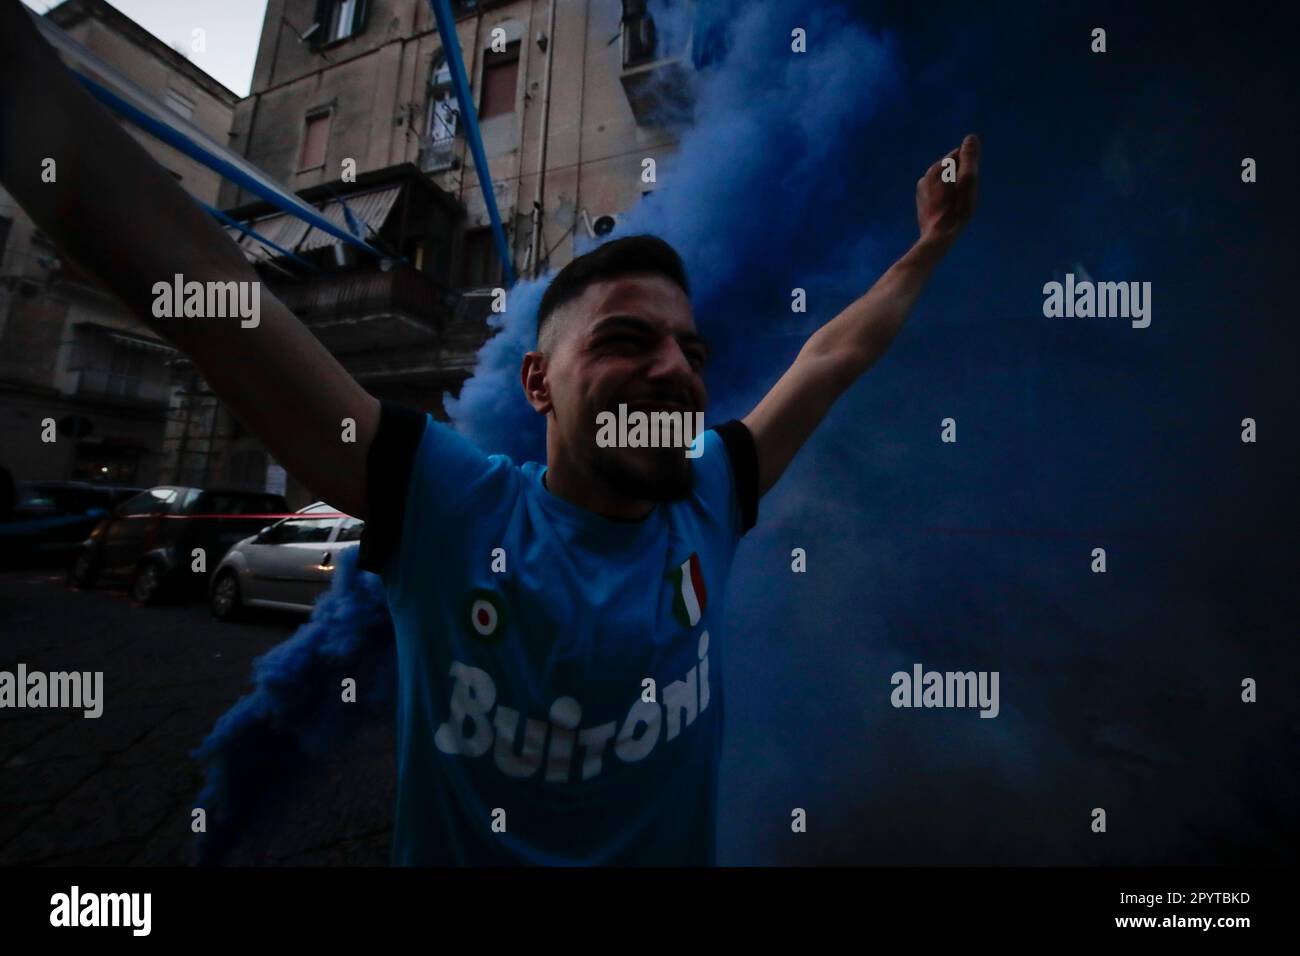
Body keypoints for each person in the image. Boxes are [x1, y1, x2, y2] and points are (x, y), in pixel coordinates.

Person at [0, 0, 978, 864]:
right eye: (628, 340)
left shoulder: (714, 488)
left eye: (691, 348)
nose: (676, 370)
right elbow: (215, 302)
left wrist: (931, 244)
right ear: (538, 382)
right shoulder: (448, 505)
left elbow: (827, 358)